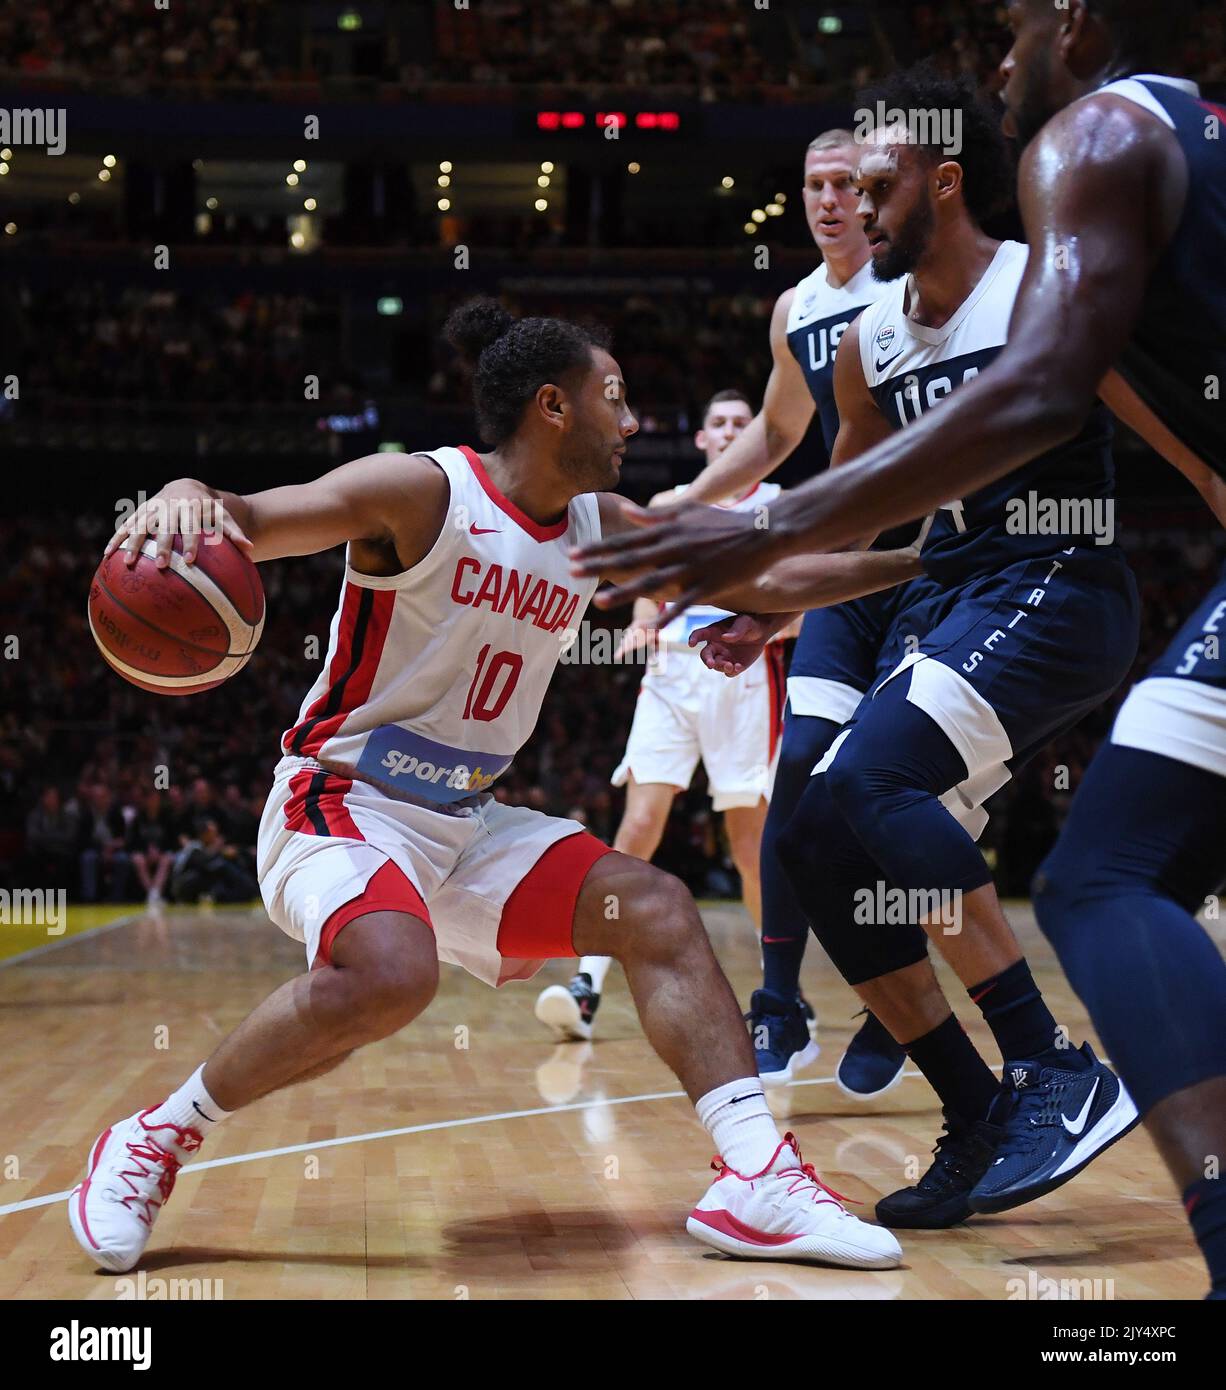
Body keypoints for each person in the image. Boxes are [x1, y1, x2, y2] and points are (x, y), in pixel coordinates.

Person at [572, 0, 1226, 1296]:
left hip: (1042, 576)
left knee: (1042, 855)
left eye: (867, 181)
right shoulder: (863, 333)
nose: (1000, 54)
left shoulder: (1064, 208)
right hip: (938, 580)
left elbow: (1035, 434)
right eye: (833, 184)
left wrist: (757, 524)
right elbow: (885, 517)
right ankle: (983, 1101)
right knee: (818, 826)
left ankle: (1051, 1064)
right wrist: (763, 577)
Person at [68, 298, 902, 1276]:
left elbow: (757, 575)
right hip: (338, 802)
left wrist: (927, 560)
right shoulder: (419, 493)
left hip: (464, 822)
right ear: (553, 407)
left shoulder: (601, 526)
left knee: (659, 909)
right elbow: (244, 519)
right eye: (615, 398)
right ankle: (152, 1139)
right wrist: (181, 485)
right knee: (392, 969)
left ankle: (756, 1176)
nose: (634, 422)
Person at [534, 388, 799, 1044]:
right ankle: (587, 986)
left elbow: (805, 594)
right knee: (640, 823)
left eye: (744, 423)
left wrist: (774, 626)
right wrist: (643, 623)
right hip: (673, 675)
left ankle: (779, 996)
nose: (732, 430)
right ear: (704, 440)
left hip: (742, 678)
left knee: (749, 845)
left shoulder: (779, 506)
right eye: (720, 423)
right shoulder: (668, 506)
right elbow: (649, 588)